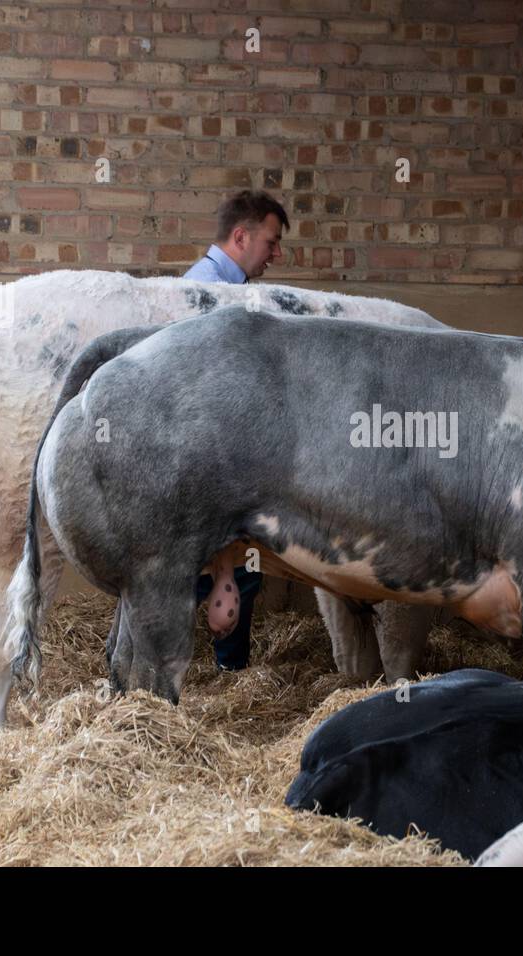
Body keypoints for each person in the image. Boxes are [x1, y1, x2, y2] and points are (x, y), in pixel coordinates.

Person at [183, 190, 289, 671]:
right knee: (212, 566)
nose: (277, 254)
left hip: (222, 453)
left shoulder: (233, 290)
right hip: (203, 454)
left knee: (233, 566)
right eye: (271, 241)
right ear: (241, 236)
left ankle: (220, 669)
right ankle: (220, 668)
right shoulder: (203, 293)